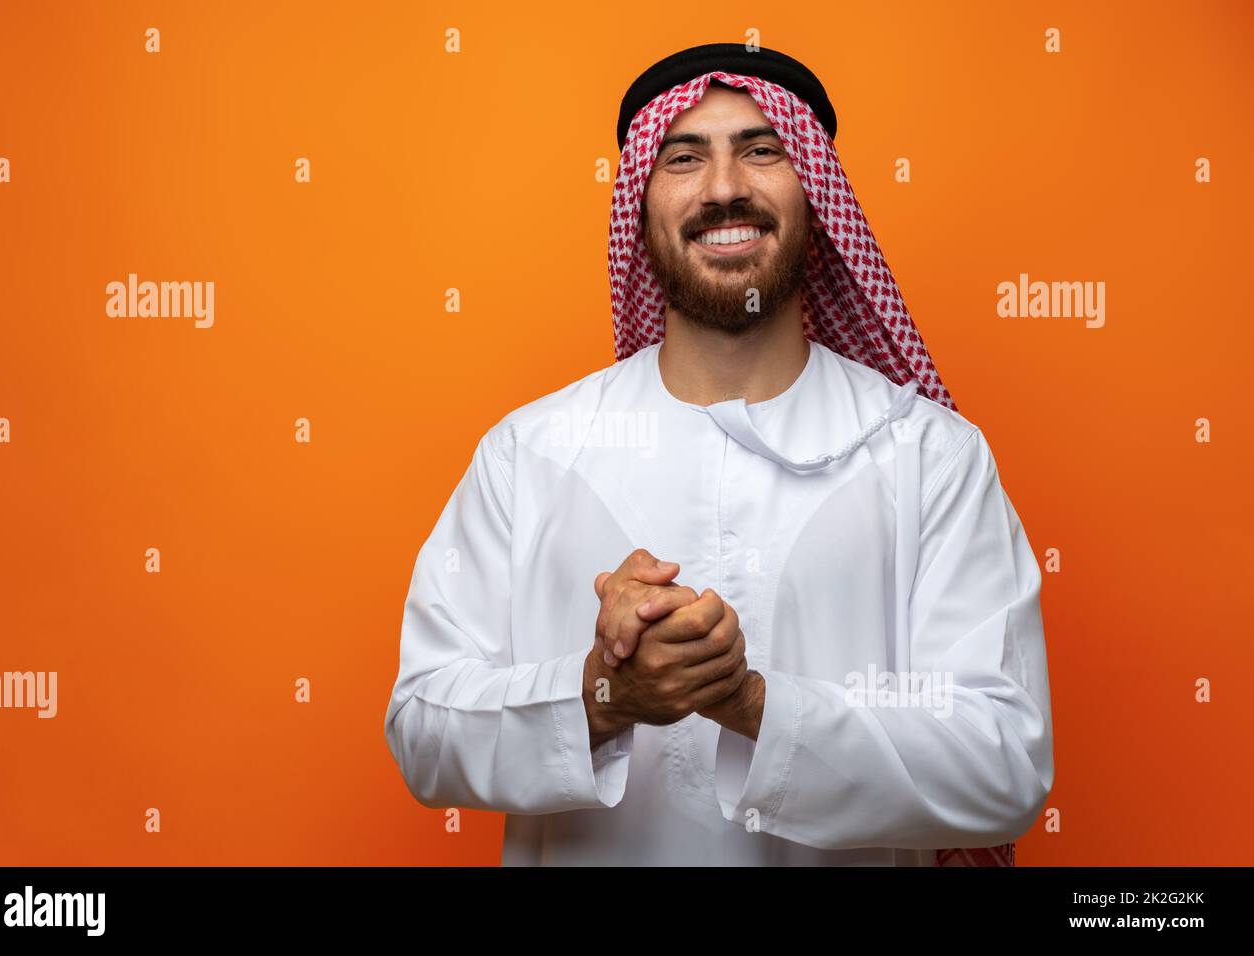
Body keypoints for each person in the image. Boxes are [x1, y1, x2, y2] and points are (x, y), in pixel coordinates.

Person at [384, 42, 1054, 866]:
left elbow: (1005, 761)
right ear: (640, 203)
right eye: (684, 157)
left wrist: (751, 705)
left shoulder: (930, 457)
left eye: (762, 150)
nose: (726, 186)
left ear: (816, 190)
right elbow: (422, 725)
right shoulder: (529, 456)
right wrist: (601, 692)